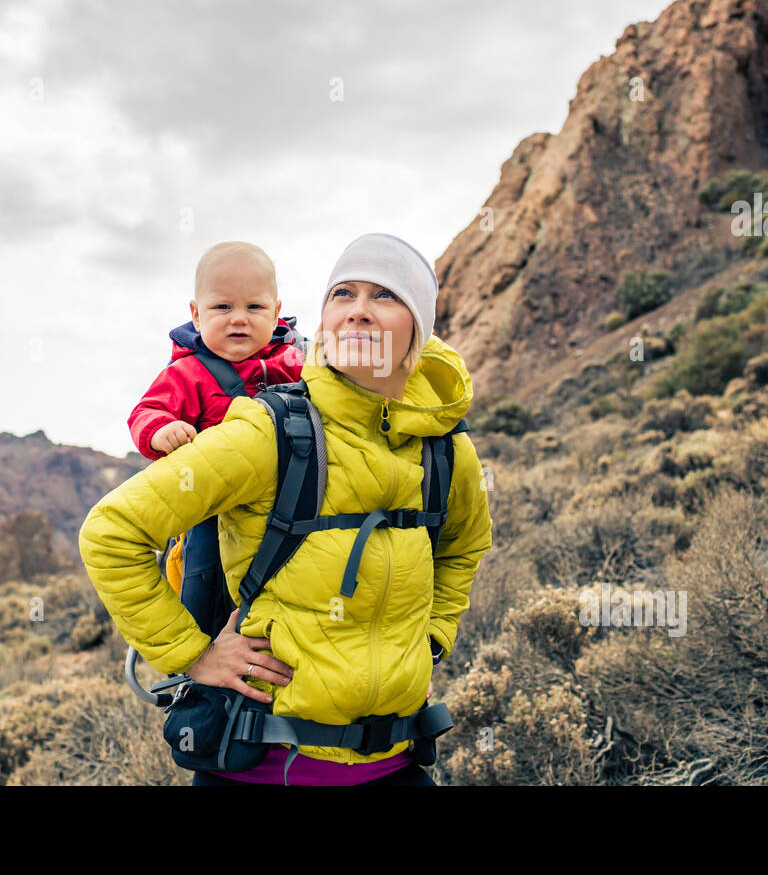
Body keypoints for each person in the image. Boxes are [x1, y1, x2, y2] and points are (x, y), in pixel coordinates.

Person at [79, 232, 493, 785]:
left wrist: (432, 639)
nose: (359, 312)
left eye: (386, 296)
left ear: (419, 323)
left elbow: (464, 546)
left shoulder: (446, 448)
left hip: (399, 764)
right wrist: (194, 655)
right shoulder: (268, 429)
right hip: (265, 767)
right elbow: (112, 533)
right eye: (343, 293)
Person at [126, 241, 304, 635]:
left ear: (276, 312)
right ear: (196, 313)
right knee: (204, 580)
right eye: (223, 307)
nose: (238, 319)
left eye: (254, 307)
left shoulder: (297, 364)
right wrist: (161, 431)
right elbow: (145, 413)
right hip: (214, 510)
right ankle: (200, 671)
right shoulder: (188, 373)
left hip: (291, 505)